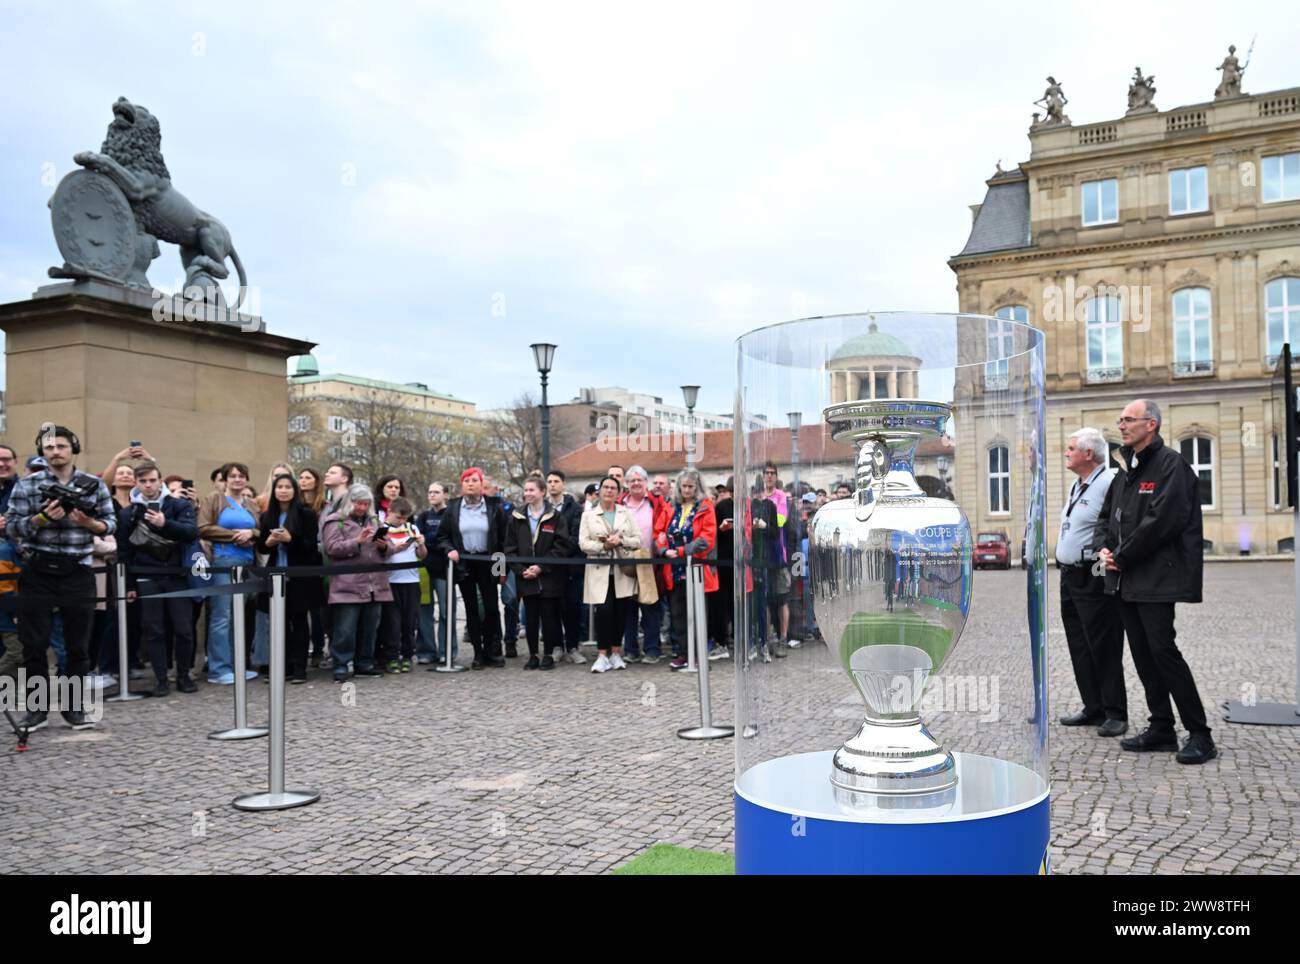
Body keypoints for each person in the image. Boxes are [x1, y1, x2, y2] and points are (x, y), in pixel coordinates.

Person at [1098, 399, 1215, 764]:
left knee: (1164, 653)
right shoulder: (1124, 471)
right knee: (1143, 656)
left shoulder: (1171, 466)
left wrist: (1122, 555)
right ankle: (1161, 727)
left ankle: (1200, 734)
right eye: (1120, 420)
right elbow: (1106, 519)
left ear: (1151, 425)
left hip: (1157, 578)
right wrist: (1103, 550)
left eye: (1129, 420)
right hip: (1125, 579)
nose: (1122, 426)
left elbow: (1163, 521)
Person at [9, 424, 117, 730]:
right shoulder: (28, 486)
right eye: (49, 447)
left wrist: (89, 523)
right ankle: (37, 709)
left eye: (61, 446)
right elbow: (12, 527)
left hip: (78, 570)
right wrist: (42, 518)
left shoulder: (93, 485)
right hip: (37, 570)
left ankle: (73, 709)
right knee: (34, 644)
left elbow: (110, 525)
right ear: (42, 452)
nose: (56, 452)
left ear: (73, 449)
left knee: (77, 646)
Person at [1056, 428, 1127, 737]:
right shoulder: (1078, 485)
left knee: (1104, 643)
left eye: (1071, 448)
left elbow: (1117, 527)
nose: (1066, 452)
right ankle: (1093, 706)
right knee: (1079, 644)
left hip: (1094, 573)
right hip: (1069, 575)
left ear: (1089, 454)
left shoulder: (1109, 483)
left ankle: (1116, 712)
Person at [117, 461, 199, 696]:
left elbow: (191, 533)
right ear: (136, 483)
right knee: (154, 630)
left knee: (184, 629)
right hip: (145, 575)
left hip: (177, 575)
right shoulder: (128, 512)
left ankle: (183, 675)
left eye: (152, 480)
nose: (148, 485)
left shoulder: (179, 505)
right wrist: (129, 585)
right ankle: (161, 679)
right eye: (143, 481)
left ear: (160, 481)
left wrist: (165, 524)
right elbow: (124, 550)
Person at [436, 467, 507, 669]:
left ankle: (492, 648)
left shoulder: (495, 508)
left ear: (481, 485)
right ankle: (478, 652)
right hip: (465, 562)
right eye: (466, 480)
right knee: (472, 610)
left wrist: (501, 569)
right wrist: (450, 549)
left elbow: (503, 541)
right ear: (462, 485)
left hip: (489, 561)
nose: (470, 484)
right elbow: (442, 536)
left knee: (493, 608)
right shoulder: (453, 508)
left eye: (474, 480)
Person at [197, 462, 262, 684]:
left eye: (241, 476)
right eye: (233, 476)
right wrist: (234, 535)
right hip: (223, 562)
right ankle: (218, 669)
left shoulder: (252, 504)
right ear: (225, 479)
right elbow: (204, 527)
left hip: (247, 562)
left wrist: (251, 533)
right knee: (221, 615)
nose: (237, 479)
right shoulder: (213, 499)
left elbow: (260, 530)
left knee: (237, 616)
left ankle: (236, 666)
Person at [257, 473, 324, 683]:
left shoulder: (306, 515)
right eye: (279, 487)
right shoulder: (267, 516)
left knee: (299, 621)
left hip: (300, 577)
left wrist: (289, 539)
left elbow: (310, 547)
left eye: (288, 487)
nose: (283, 490)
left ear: (295, 491)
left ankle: (299, 668)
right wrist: (268, 542)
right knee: (279, 623)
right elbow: (261, 546)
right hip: (276, 575)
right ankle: (282, 667)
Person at [322, 483, 392, 682]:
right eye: (358, 503)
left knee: (370, 628)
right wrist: (357, 542)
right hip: (347, 584)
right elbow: (332, 548)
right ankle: (341, 665)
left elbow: (390, 550)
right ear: (349, 502)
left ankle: (364, 663)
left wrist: (384, 546)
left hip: (375, 584)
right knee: (345, 629)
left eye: (365, 504)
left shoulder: (374, 521)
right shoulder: (335, 521)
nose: (361, 508)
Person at [504, 475, 571, 670]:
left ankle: (548, 654)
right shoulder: (516, 517)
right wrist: (521, 570)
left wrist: (542, 567)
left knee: (549, 616)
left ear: (542, 492)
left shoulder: (556, 517)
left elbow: (561, 546)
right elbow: (509, 547)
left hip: (550, 577)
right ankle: (533, 654)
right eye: (526, 490)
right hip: (525, 577)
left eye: (532, 490)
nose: (528, 494)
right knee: (530, 618)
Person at [659, 469, 718, 671]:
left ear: (697, 488)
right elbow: (659, 532)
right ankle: (684, 654)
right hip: (674, 570)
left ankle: (701, 655)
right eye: (683, 486)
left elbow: (707, 539)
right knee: (678, 614)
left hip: (698, 570)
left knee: (699, 613)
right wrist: (664, 550)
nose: (686, 490)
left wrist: (683, 550)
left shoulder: (706, 507)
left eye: (690, 486)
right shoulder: (670, 507)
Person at [579, 476, 640, 672]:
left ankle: (616, 652)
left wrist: (621, 541)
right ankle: (602, 654)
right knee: (603, 612)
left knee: (620, 613)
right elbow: (583, 543)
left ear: (619, 491)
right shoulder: (588, 515)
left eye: (613, 488)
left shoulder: (626, 513)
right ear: (600, 491)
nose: (609, 491)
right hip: (599, 571)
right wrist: (603, 545)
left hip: (622, 571)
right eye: (605, 487)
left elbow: (638, 539)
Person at [618, 465, 667, 663]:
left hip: (650, 562)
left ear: (645, 483)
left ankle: (652, 649)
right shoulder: (620, 504)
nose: (636, 483)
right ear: (626, 484)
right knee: (628, 609)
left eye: (639, 480)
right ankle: (630, 650)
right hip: (625, 563)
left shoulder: (656, 503)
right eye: (632, 481)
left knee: (650, 608)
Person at [379, 495, 425, 673]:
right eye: (399, 517)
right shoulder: (382, 529)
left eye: (405, 518)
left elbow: (422, 555)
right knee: (392, 622)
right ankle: (391, 656)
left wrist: (421, 544)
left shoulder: (412, 527)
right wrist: (392, 549)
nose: (402, 521)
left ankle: (407, 655)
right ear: (389, 512)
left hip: (411, 580)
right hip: (390, 580)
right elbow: (377, 554)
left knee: (409, 621)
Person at [545, 470, 587, 664]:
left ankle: (572, 646)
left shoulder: (575, 508)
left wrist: (556, 552)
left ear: (563, 484)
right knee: (552, 609)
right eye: (549, 481)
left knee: (572, 607)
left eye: (556, 481)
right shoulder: (542, 507)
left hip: (570, 567)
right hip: (549, 568)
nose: (552, 484)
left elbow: (576, 536)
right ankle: (555, 646)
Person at [416, 482, 457, 665]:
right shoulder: (423, 516)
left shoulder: (453, 514)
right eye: (430, 492)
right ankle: (426, 650)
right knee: (424, 611)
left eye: (436, 492)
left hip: (445, 569)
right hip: (424, 568)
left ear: (446, 495)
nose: (432, 495)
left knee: (447, 612)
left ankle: (447, 650)